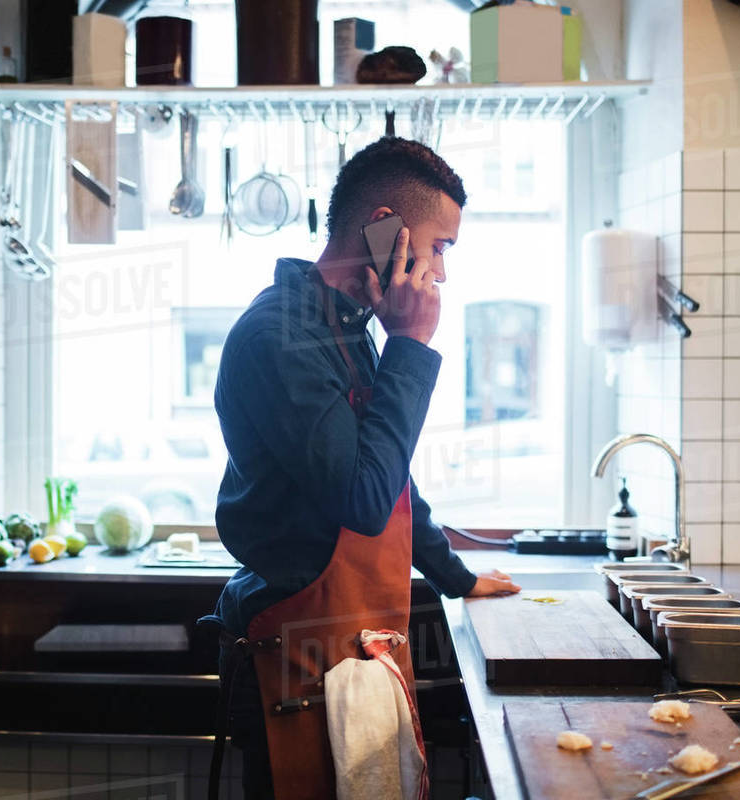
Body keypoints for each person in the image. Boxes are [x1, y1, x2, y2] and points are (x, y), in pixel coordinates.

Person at [202, 137, 521, 800]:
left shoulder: (344, 326)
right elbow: (364, 498)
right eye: (440, 247)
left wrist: (456, 575)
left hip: (347, 644)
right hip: (292, 652)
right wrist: (408, 342)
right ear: (385, 226)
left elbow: (389, 469)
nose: (441, 271)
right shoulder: (279, 336)